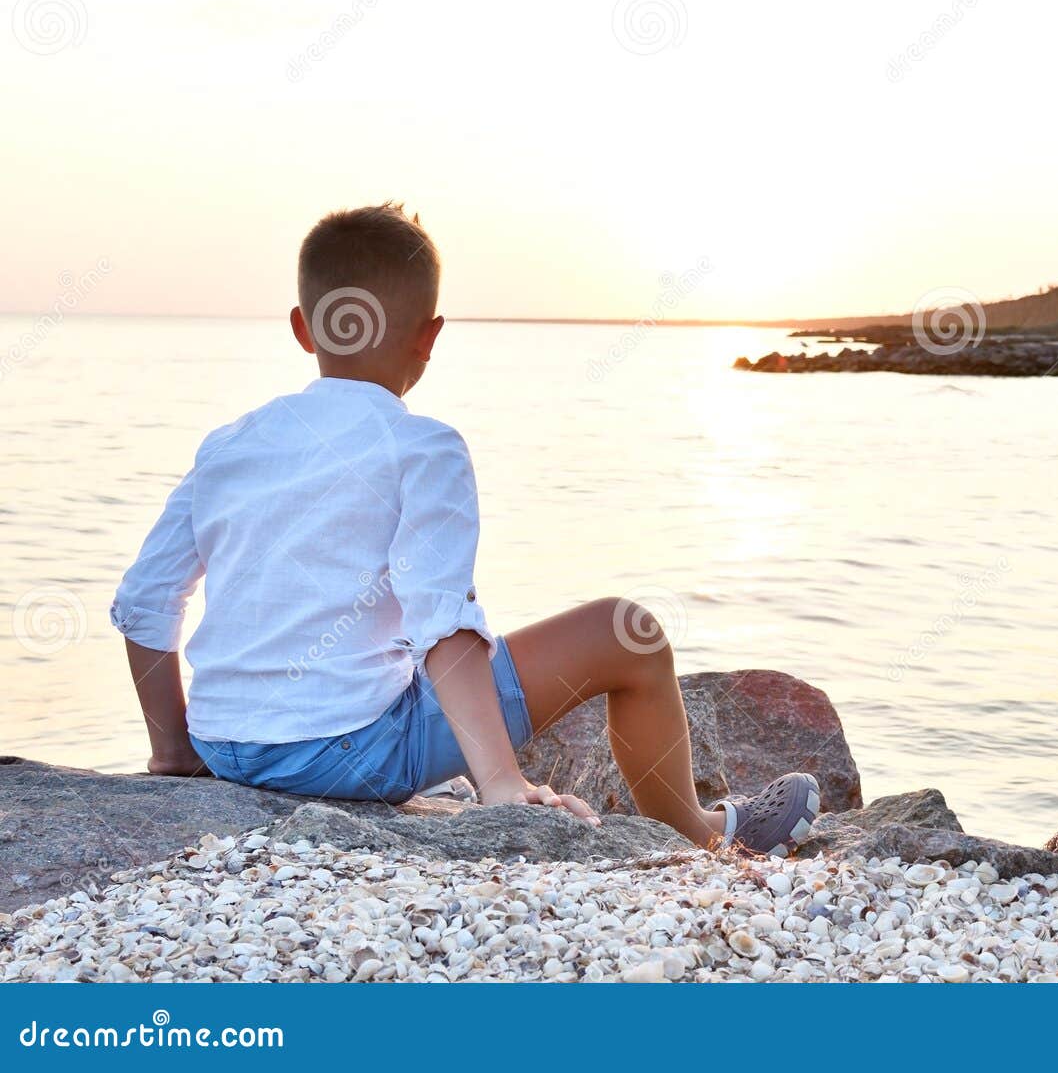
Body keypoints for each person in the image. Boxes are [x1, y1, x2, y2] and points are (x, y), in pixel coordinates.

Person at [110, 203, 818, 856]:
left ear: (302, 327)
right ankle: (698, 831)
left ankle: (212, 741)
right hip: (346, 751)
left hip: (227, 743)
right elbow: (441, 621)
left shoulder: (229, 445)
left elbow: (145, 598)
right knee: (625, 631)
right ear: (430, 338)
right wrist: (502, 784)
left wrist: (176, 749)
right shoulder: (423, 447)